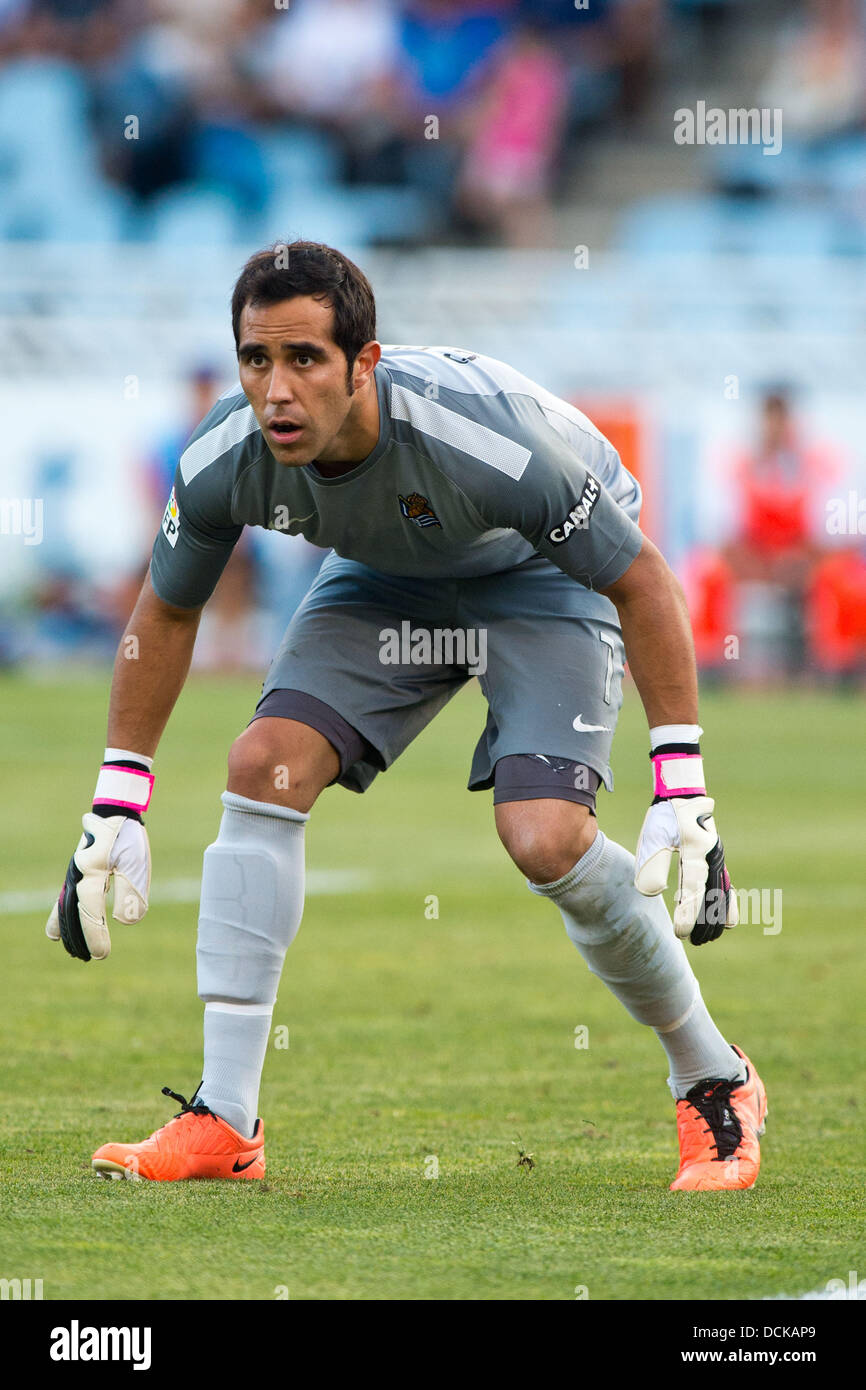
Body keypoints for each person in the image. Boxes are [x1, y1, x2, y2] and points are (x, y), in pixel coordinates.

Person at [47, 241, 766, 1192]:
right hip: (388, 577)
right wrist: (116, 801)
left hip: (538, 576)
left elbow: (641, 578)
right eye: (256, 360)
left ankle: (715, 1077)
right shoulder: (228, 455)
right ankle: (226, 1118)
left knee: (546, 836)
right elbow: (167, 611)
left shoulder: (484, 439)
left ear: (365, 362)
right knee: (263, 760)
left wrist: (684, 785)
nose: (277, 390)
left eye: (305, 358)